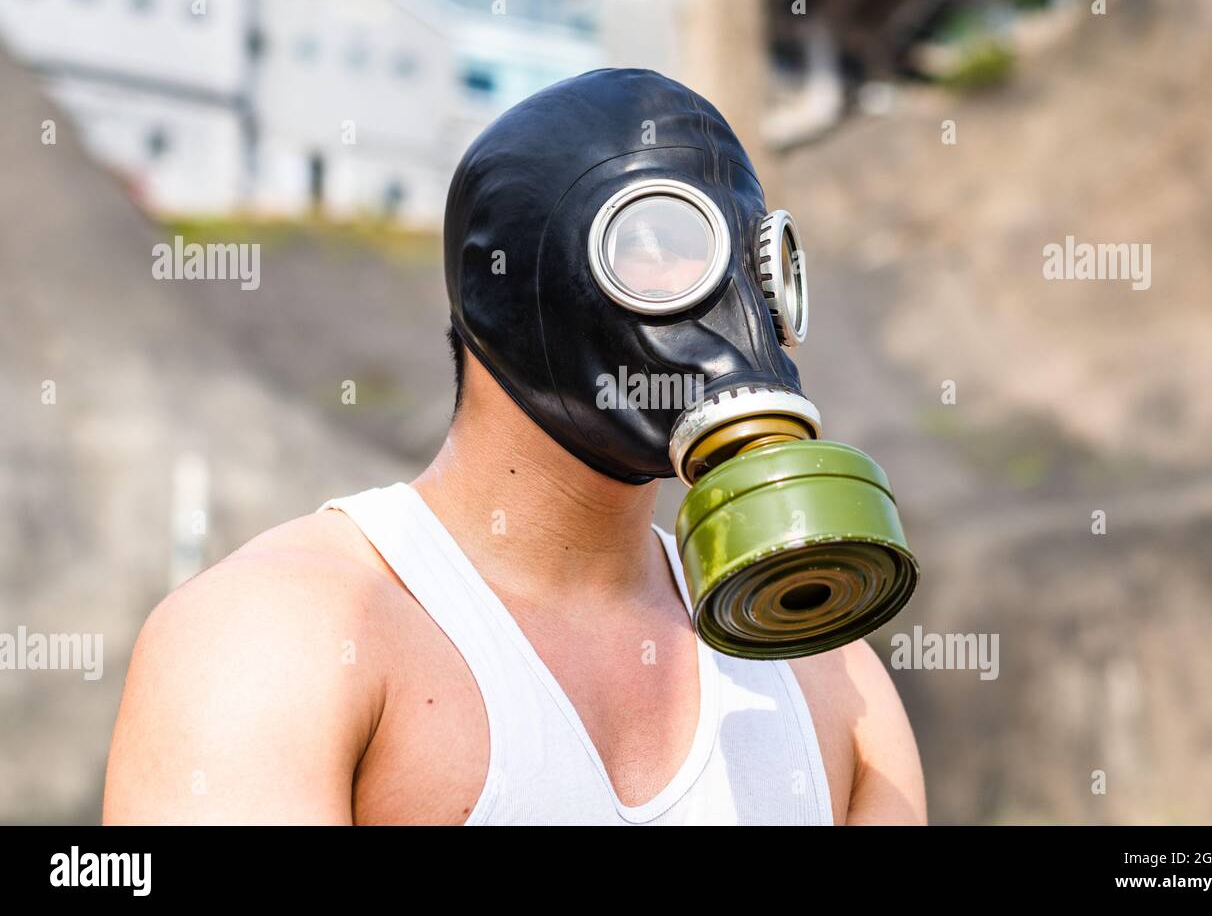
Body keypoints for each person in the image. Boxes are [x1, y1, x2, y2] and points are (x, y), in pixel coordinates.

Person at [103, 69, 925, 825]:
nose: (736, 316)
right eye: (657, 246)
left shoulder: (833, 682)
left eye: (755, 263)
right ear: (502, 295)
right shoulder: (275, 636)